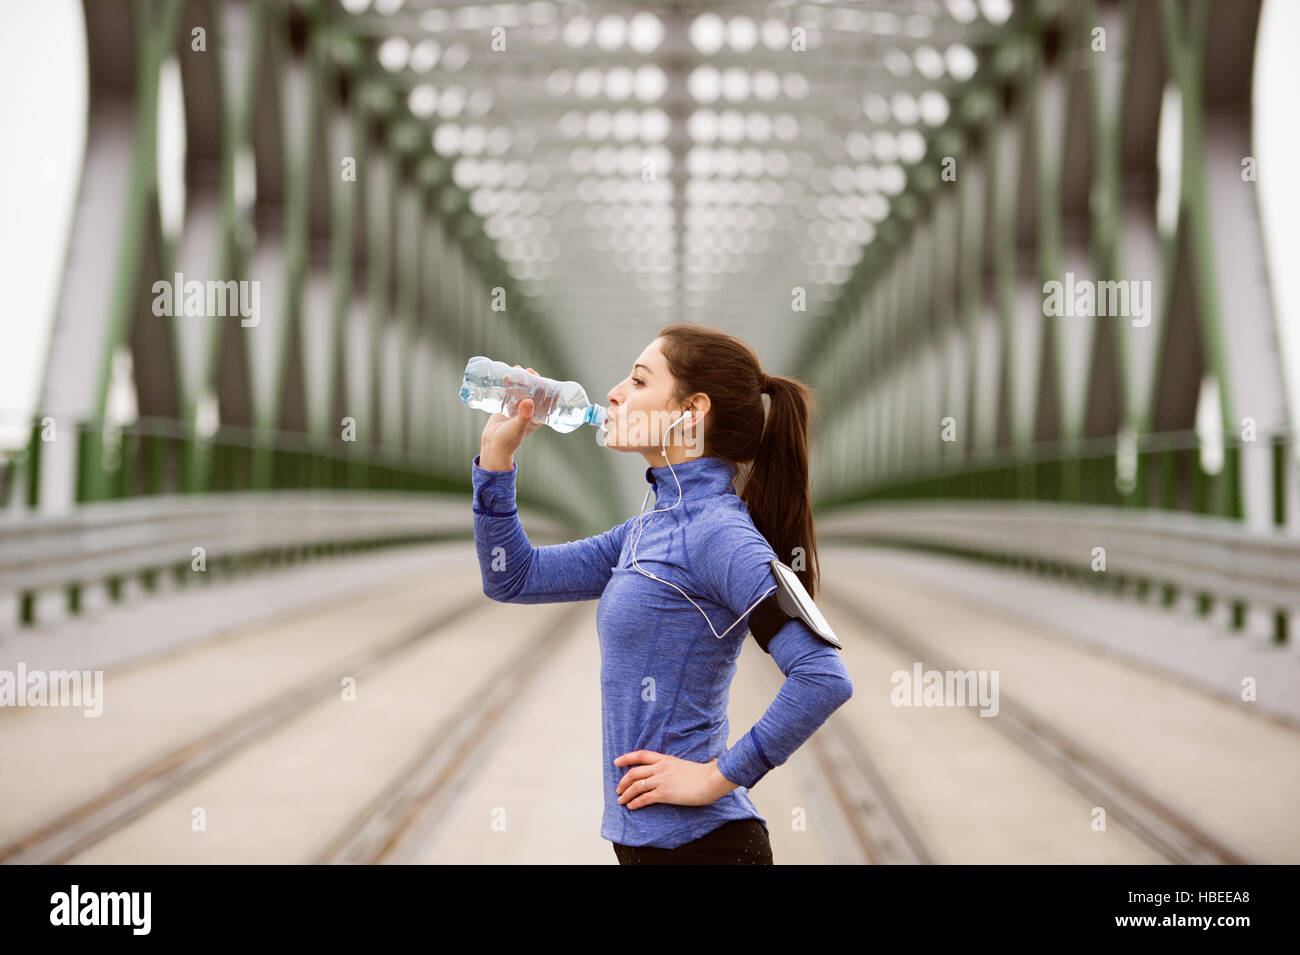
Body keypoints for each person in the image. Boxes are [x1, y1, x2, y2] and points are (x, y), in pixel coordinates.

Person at [470, 323, 854, 865]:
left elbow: (823, 676)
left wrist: (717, 777)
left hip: (703, 848)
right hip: (647, 847)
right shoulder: (646, 530)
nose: (613, 394)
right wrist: (496, 461)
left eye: (638, 381)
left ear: (691, 411)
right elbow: (513, 577)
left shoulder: (720, 534)